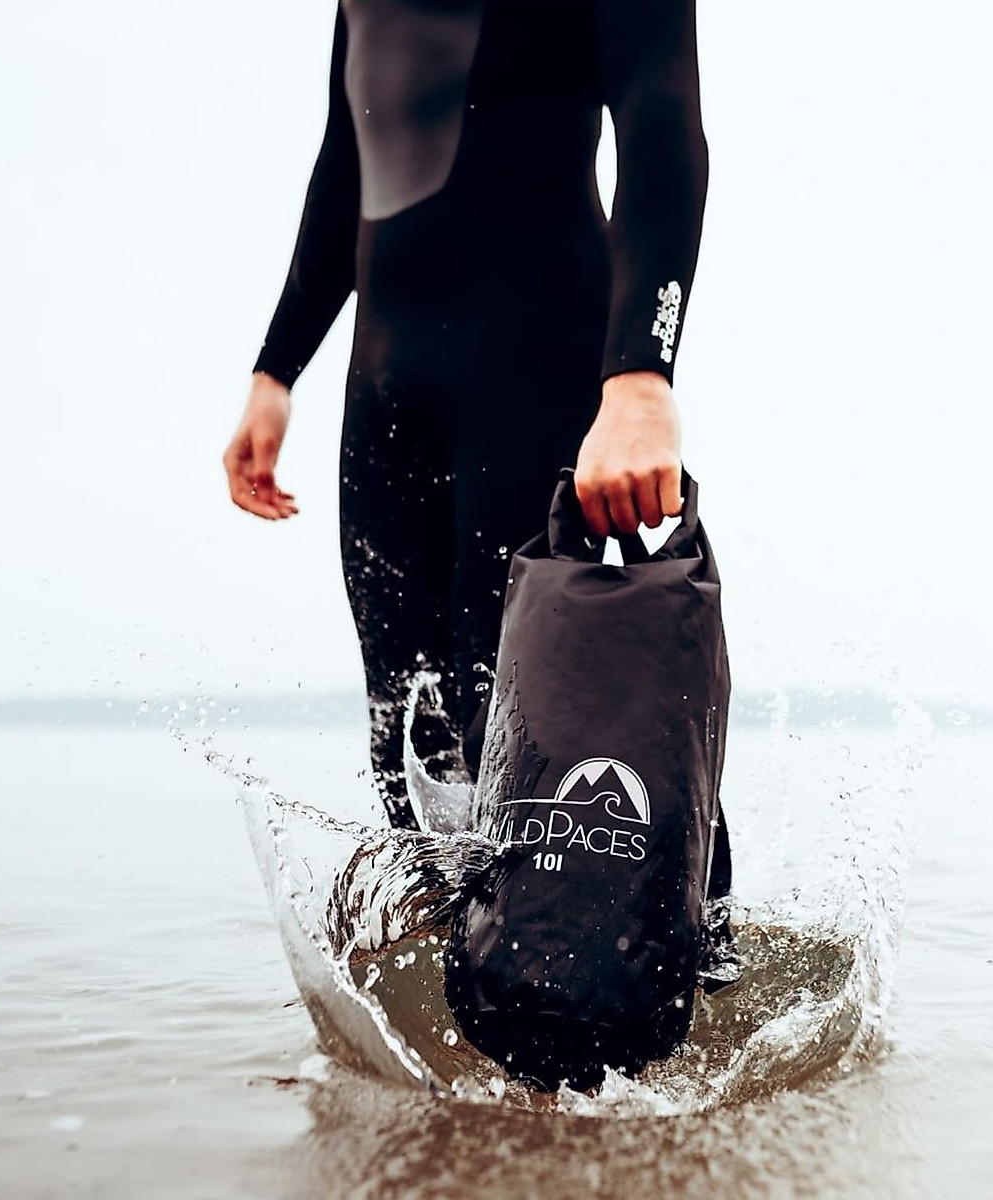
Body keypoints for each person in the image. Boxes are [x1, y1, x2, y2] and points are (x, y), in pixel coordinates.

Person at [223, 0, 709, 830]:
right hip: (384, 390)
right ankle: (443, 917)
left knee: (526, 727)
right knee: (409, 739)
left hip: (536, 364)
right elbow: (347, 156)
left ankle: (658, 910)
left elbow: (659, 119)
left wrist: (640, 377)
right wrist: (277, 369)